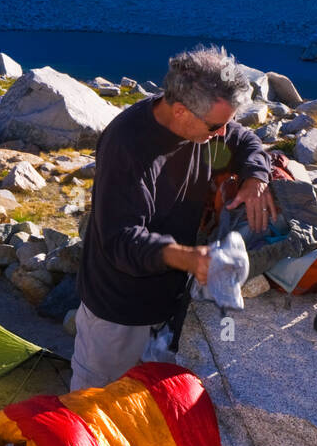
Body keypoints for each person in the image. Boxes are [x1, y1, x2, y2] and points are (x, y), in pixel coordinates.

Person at [71, 45, 278, 391]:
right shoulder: (128, 147)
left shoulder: (204, 127)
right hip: (118, 311)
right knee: (94, 409)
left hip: (167, 304)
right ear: (181, 111)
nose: (223, 134)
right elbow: (121, 240)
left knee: (146, 407)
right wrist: (189, 258)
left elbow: (245, 141)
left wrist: (257, 177)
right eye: (216, 126)